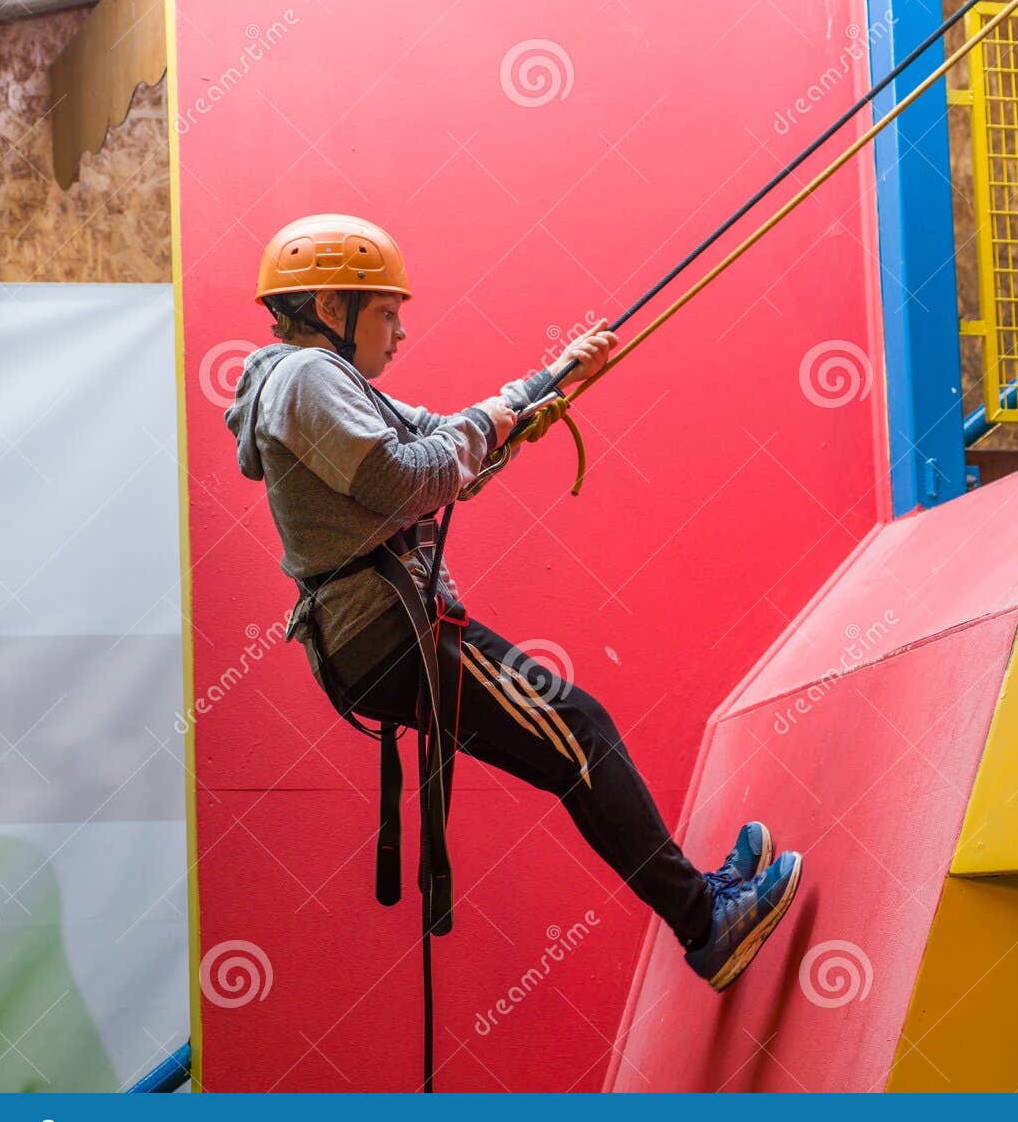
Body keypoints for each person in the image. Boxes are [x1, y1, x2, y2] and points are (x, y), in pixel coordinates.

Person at [224, 212, 803, 991]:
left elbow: (438, 441)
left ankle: (705, 905)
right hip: (388, 635)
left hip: (384, 635)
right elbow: (409, 477)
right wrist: (495, 425)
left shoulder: (328, 384)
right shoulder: (306, 379)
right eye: (387, 313)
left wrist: (549, 381)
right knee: (579, 730)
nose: (398, 334)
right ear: (332, 309)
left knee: (572, 735)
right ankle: (705, 922)